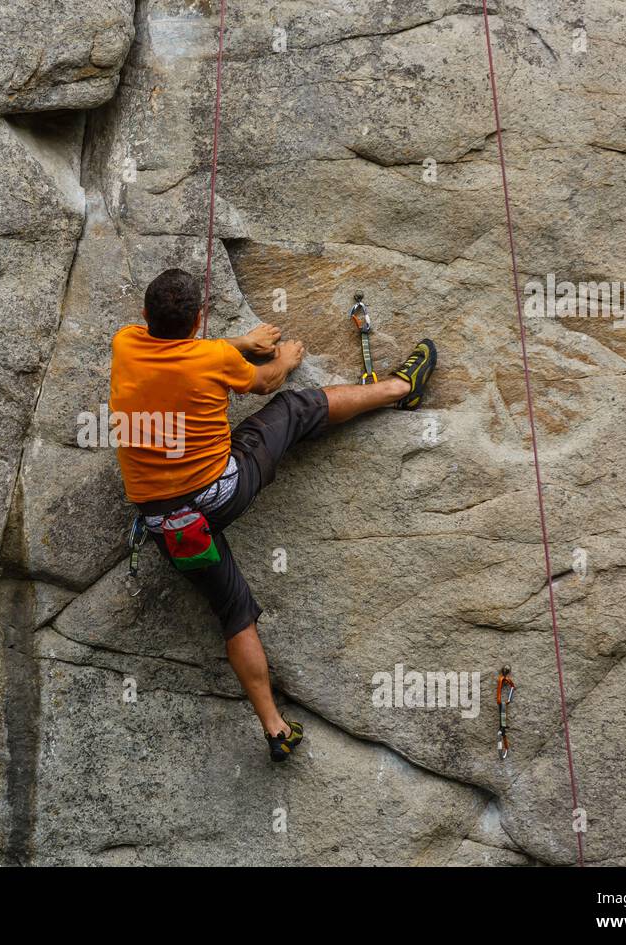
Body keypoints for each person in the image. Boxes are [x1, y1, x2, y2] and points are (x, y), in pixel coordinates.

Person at [110, 268, 437, 761]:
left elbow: (188, 355)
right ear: (199, 318)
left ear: (144, 317)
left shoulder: (125, 343)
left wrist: (239, 341)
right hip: (220, 493)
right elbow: (263, 382)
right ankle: (400, 388)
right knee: (292, 407)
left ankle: (275, 728)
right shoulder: (213, 357)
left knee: (232, 610)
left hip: (167, 526)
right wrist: (283, 356)